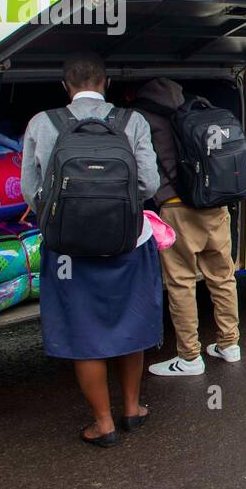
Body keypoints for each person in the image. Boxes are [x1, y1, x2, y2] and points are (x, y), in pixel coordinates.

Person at [21, 51, 161, 447]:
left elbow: (32, 192)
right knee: (130, 325)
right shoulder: (133, 121)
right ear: (106, 84)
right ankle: (132, 410)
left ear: (66, 86)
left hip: (69, 250)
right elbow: (149, 185)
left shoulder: (42, 123)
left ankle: (104, 424)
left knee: (85, 335)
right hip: (129, 244)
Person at [133, 78, 242, 377]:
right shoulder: (200, 105)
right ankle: (229, 344)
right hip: (216, 203)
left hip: (176, 207)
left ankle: (190, 357)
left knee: (181, 282)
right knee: (223, 276)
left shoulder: (141, 117)